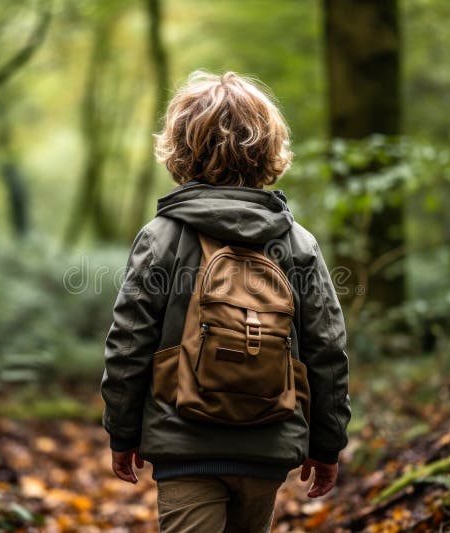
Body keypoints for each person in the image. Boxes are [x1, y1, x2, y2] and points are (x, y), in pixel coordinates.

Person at [100, 71, 351, 533]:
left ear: (180, 146)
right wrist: (328, 444)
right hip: (268, 438)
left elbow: (129, 341)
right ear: (268, 148)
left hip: (183, 438)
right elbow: (327, 349)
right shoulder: (297, 243)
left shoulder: (163, 238)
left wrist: (122, 431)